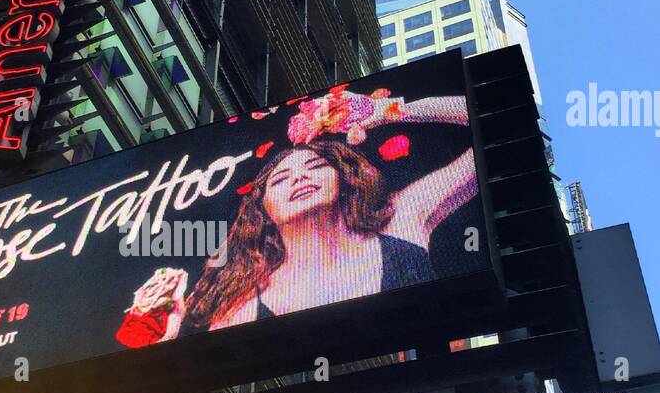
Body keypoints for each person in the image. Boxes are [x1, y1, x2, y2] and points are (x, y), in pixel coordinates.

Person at [180, 90, 477, 331]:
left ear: (342, 178)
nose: (299, 178)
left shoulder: (400, 219)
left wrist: (388, 110)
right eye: (281, 179)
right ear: (263, 210)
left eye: (316, 166)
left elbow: (486, 122)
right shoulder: (246, 303)